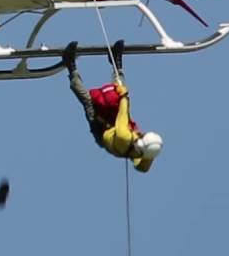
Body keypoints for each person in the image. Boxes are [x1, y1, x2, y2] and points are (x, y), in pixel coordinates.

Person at [61, 40, 163, 172]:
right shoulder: (145, 150)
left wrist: (124, 96)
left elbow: (123, 114)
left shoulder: (124, 137)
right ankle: (116, 62)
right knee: (118, 90)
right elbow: (143, 168)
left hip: (101, 128)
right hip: (116, 129)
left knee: (88, 102)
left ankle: (70, 65)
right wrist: (150, 154)